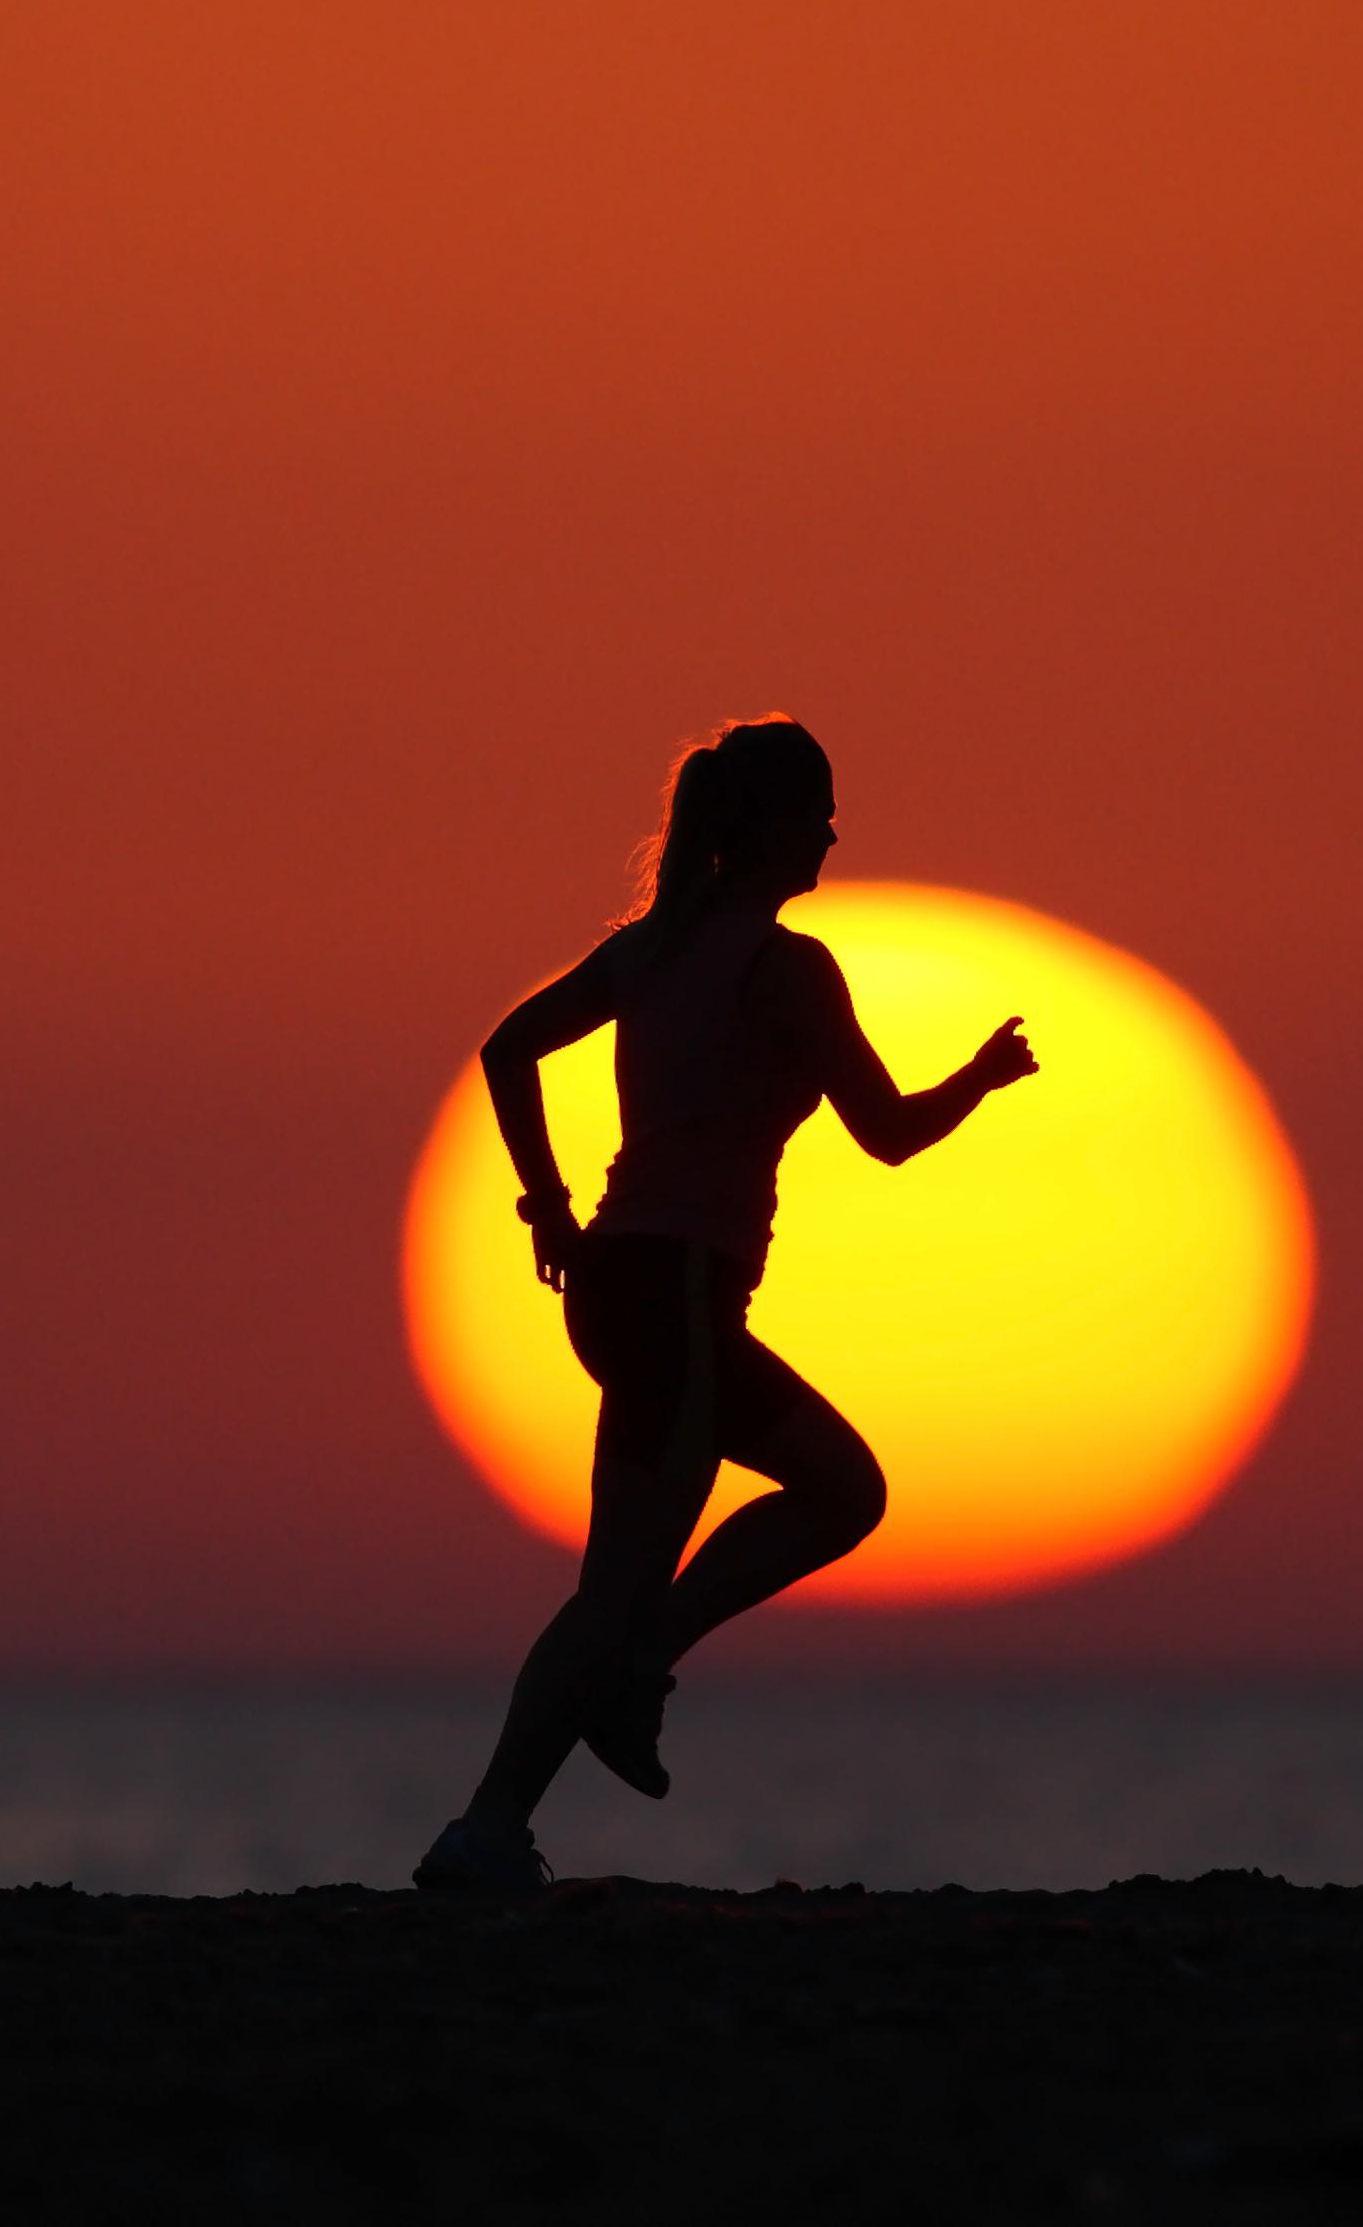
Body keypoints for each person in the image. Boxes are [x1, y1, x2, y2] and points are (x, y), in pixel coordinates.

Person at [415, 717, 1040, 1892]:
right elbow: (889, 1135)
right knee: (618, 1584)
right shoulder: (783, 968)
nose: (836, 832)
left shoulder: (651, 953)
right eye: (819, 812)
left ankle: (622, 1678)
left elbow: (508, 1050)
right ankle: (493, 1821)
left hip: (628, 1290)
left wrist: (549, 1210)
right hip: (676, 1299)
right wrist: (983, 1077)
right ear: (767, 829)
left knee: (840, 1490)